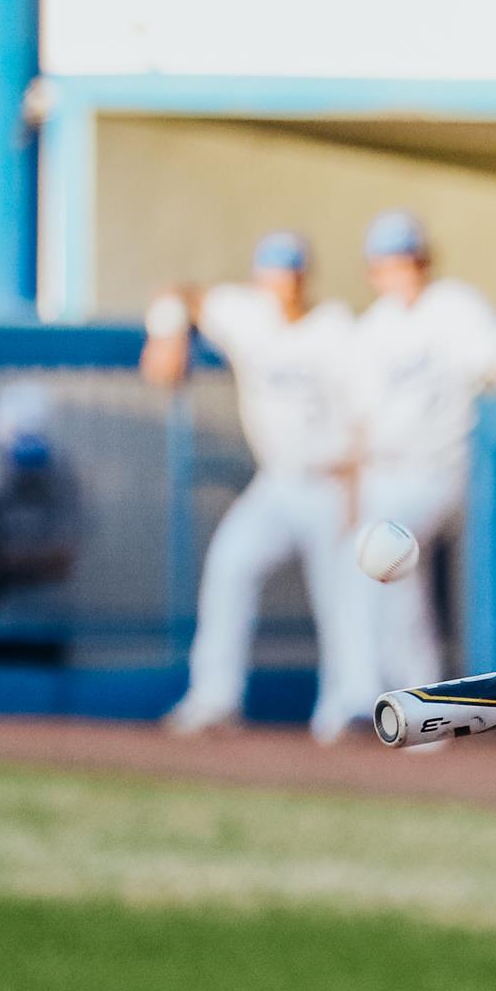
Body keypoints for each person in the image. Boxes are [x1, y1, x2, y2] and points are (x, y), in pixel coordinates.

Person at [146, 231, 373, 743]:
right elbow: (177, 292)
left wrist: (357, 495)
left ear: (305, 276)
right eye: (274, 274)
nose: (284, 285)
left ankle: (346, 711)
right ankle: (214, 699)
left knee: (341, 599)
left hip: (332, 481)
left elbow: (365, 418)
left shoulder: (335, 327)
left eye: (291, 273)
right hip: (276, 482)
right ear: (259, 277)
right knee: (230, 564)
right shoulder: (244, 313)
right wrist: (168, 333)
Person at [348, 210, 496, 700]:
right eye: (390, 263)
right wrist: (352, 494)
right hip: (383, 473)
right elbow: (361, 424)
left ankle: (424, 701)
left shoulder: (454, 305)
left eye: (409, 260)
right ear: (373, 272)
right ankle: (360, 697)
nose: (402, 272)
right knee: (356, 568)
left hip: (441, 472)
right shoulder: (373, 324)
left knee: (388, 559)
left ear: (426, 261)